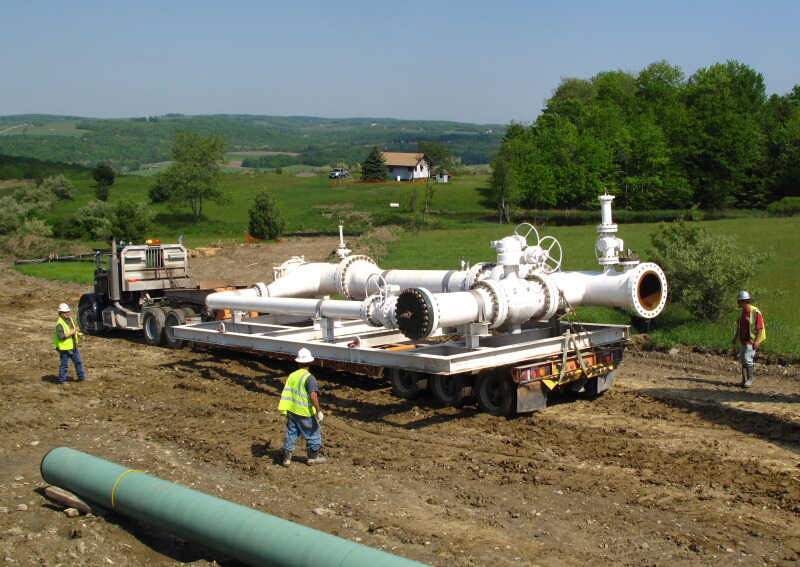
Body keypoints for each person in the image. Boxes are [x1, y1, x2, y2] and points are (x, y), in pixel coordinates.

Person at [278, 348, 326, 466]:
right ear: (310, 362)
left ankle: (286, 458)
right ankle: (313, 457)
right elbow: (313, 396)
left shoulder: (292, 375)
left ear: (298, 362)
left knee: (291, 433)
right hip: (305, 412)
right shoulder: (309, 378)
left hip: (292, 410)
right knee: (313, 433)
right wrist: (319, 410)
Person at [731, 291, 766, 388]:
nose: (738, 303)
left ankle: (750, 380)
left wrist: (757, 340)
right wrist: (735, 337)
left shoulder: (755, 312)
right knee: (743, 359)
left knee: (747, 359)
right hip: (743, 339)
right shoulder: (742, 312)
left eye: (740, 301)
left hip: (751, 340)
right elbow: (739, 326)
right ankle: (744, 380)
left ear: (745, 301)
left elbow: (760, 327)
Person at [54, 303, 86, 385]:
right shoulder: (60, 324)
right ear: (60, 313)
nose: (67, 313)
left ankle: (82, 378)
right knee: (64, 365)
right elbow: (61, 336)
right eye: (65, 312)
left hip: (73, 346)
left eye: (67, 312)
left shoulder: (70, 320)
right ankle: (62, 380)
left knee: (78, 362)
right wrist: (71, 333)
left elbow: (73, 330)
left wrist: (78, 334)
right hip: (65, 348)